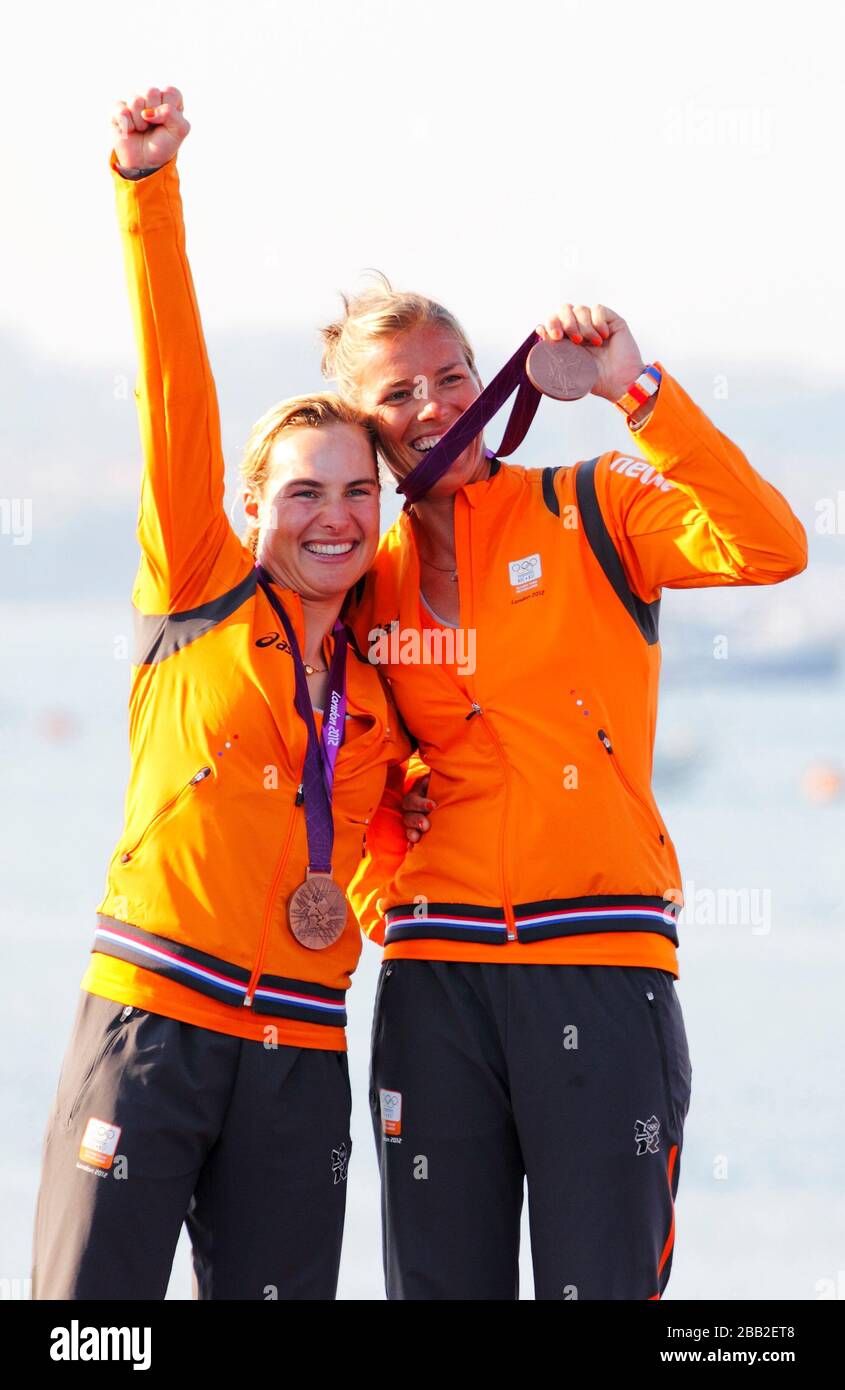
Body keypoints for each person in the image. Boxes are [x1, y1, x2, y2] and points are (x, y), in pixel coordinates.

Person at [327, 283, 809, 1299]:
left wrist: (635, 388)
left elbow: (768, 545)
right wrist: (385, 903)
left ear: (486, 382)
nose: (434, 403)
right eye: (399, 392)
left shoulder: (590, 503)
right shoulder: (363, 581)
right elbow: (343, 773)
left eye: (453, 375)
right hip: (432, 987)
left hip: (599, 958)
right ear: (361, 427)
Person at [32, 88, 409, 1301]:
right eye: (302, 492)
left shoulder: (384, 679)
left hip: (301, 1049)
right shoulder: (194, 589)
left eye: (356, 493)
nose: (332, 516)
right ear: (252, 509)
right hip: (152, 1026)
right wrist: (149, 193)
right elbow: (174, 384)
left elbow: (406, 837)